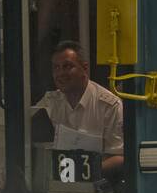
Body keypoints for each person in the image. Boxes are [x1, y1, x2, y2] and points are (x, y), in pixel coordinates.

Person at [34, 40, 124, 177]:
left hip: (99, 182)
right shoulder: (50, 102)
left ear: (85, 68)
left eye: (67, 66)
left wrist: (82, 172)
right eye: (56, 68)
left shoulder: (109, 106)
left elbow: (120, 157)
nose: (60, 73)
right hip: (59, 181)